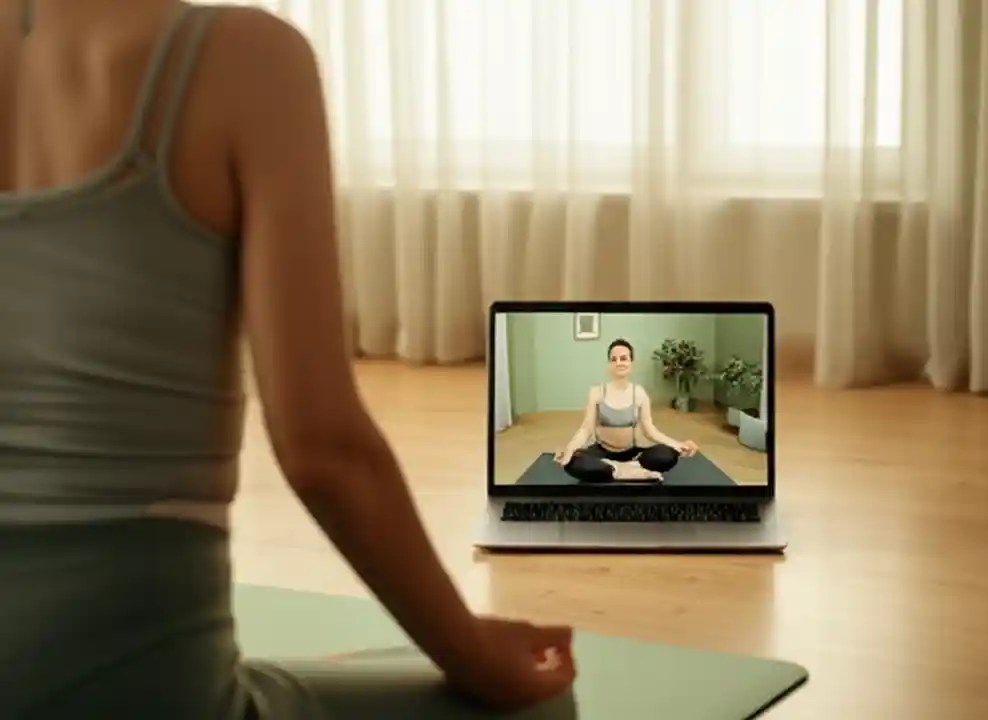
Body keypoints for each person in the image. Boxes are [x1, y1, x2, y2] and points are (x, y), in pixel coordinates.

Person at [0, 1, 575, 717]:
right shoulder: (245, 58)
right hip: (140, 689)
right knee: (538, 703)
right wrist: (471, 654)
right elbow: (321, 449)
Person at [554, 338, 700, 483]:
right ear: (609, 364)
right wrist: (569, 449)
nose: (619, 363)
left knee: (667, 454)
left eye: (623, 358)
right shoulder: (596, 392)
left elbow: (650, 431)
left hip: (632, 455)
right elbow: (586, 429)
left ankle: (616, 470)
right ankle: (627, 471)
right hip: (602, 453)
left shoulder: (640, 393)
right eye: (614, 359)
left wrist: (677, 445)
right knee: (573, 462)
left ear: (631, 362)